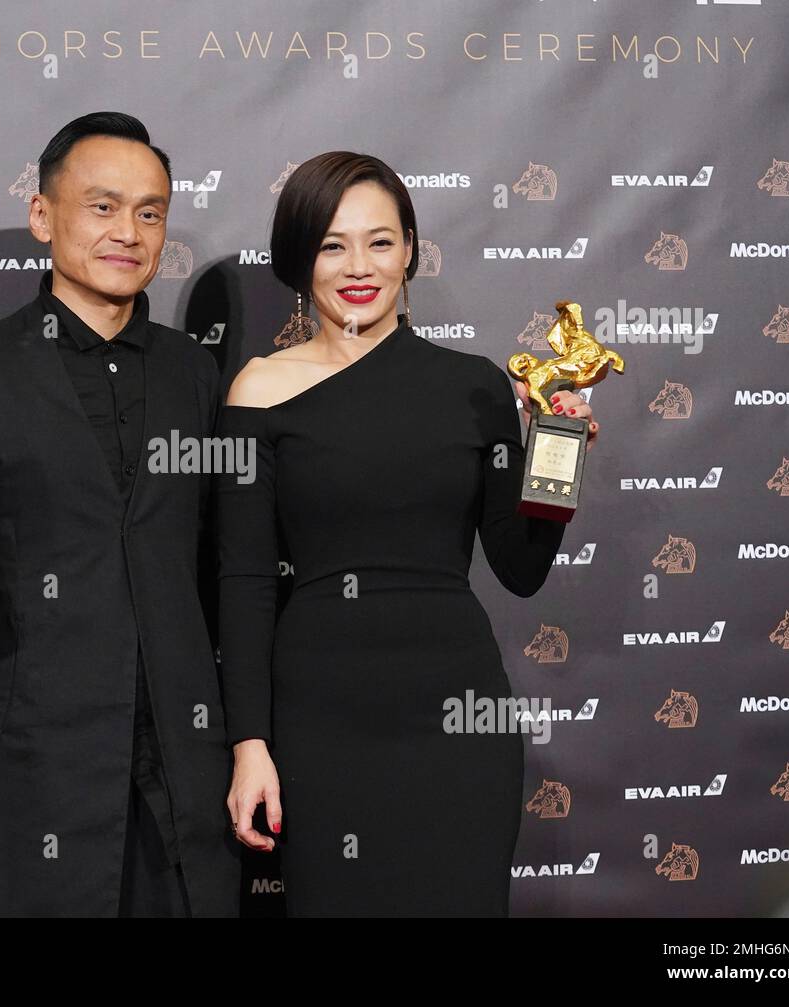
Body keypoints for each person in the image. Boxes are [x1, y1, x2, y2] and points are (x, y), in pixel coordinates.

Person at [0, 112, 239, 917]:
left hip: (180, 767)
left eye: (150, 211)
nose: (128, 231)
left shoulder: (195, 374)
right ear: (42, 216)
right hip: (32, 767)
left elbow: (222, 563)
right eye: (101, 206)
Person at [216, 151, 600, 916]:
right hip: (321, 722)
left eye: (381, 241)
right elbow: (246, 580)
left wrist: (559, 456)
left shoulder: (477, 385)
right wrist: (249, 744)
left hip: (456, 720)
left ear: (412, 249)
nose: (359, 266)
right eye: (332, 244)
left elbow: (520, 568)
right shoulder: (257, 389)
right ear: (300, 258)